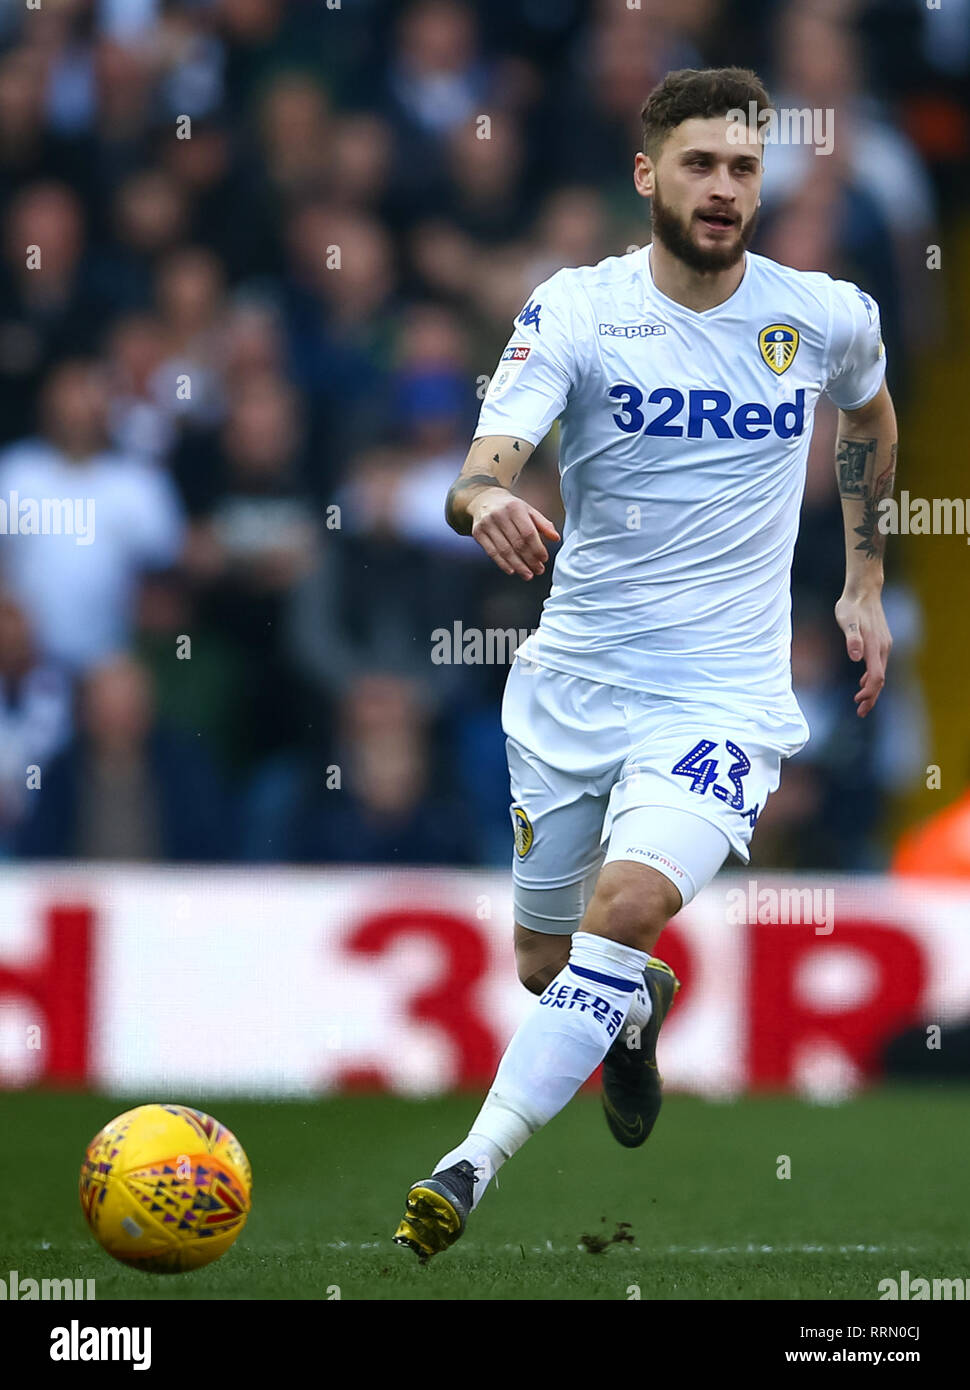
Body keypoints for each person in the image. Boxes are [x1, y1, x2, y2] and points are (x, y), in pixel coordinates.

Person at [393, 67, 896, 1261]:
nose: (724, 189)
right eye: (700, 165)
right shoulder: (576, 311)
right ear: (647, 174)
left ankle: (467, 1165)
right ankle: (628, 1016)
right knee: (544, 962)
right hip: (575, 684)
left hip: (721, 695)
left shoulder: (822, 315)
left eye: (743, 168)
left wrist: (864, 577)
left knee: (627, 905)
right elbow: (480, 467)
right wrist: (486, 501)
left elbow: (870, 419)